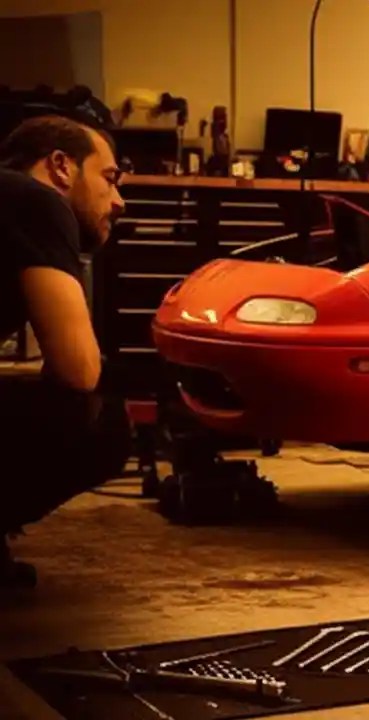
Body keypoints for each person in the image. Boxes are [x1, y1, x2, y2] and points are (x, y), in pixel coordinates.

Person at [0, 113, 128, 587]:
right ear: (60, 166)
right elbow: (78, 371)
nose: (119, 201)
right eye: (109, 179)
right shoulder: (36, 201)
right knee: (96, 415)